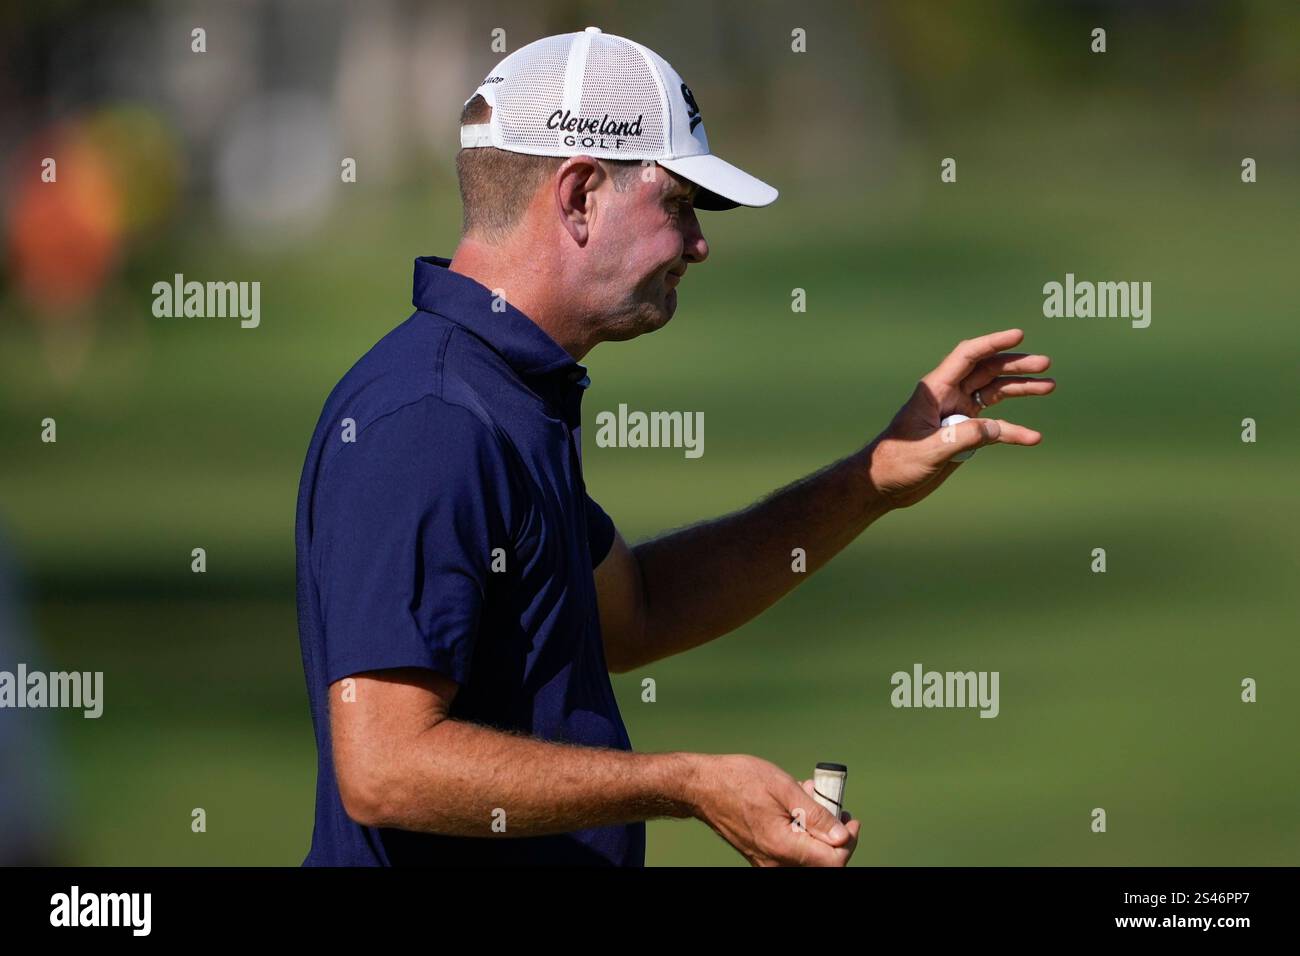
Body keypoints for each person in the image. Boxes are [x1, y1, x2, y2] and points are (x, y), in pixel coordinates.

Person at [294, 27, 1054, 867]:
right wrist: (685, 784)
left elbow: (639, 609)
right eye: (679, 205)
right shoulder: (430, 419)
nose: (699, 246)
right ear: (579, 192)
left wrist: (872, 479)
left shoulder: (506, 393)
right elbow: (386, 768)